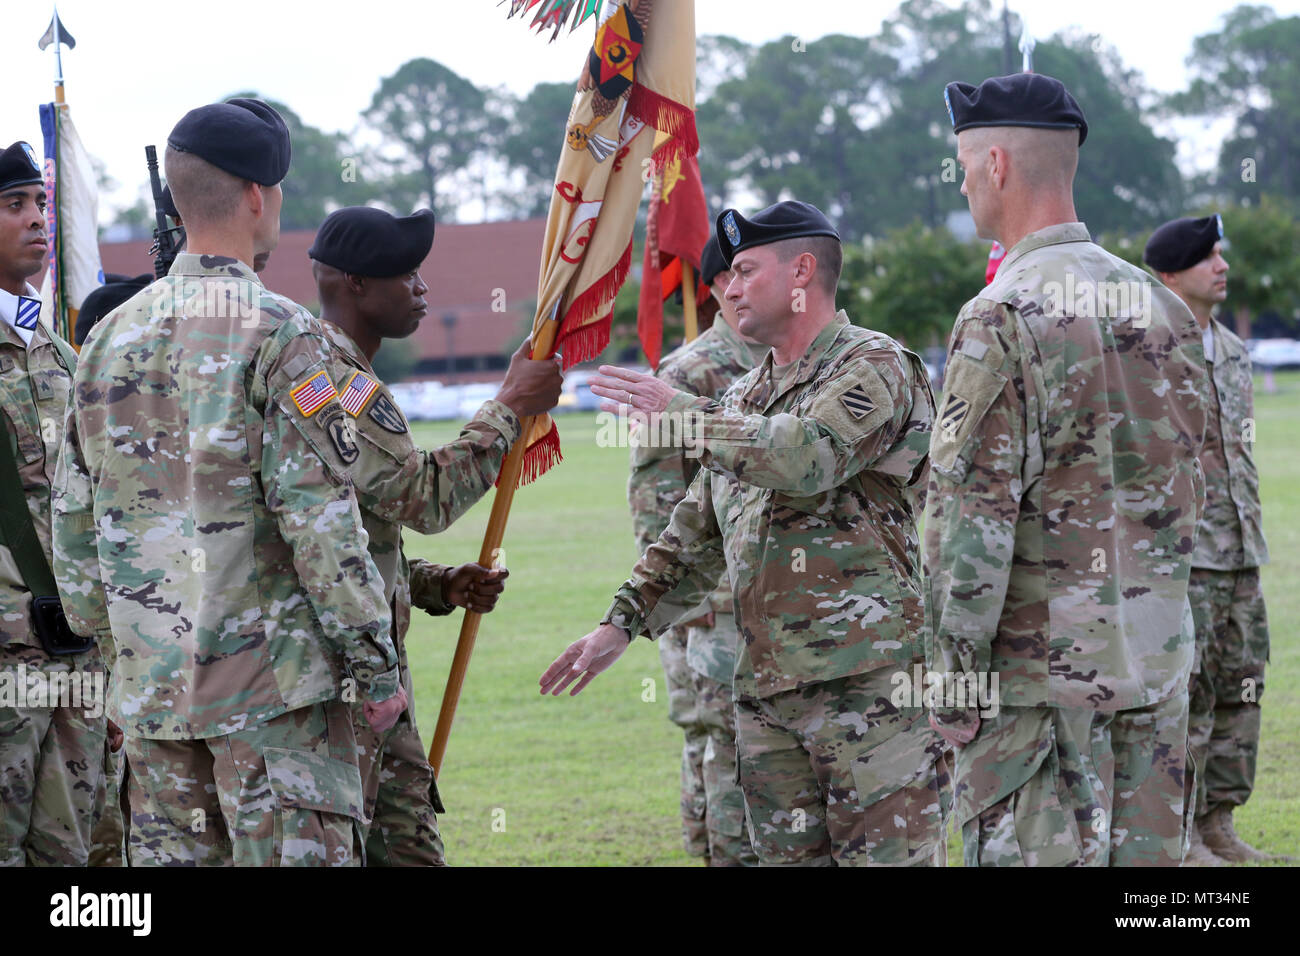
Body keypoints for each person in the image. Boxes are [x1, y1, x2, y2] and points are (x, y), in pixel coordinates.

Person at [52, 98, 404, 866]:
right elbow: (322, 523)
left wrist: (127, 657)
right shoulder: (287, 334)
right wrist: (377, 668)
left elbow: (74, 537)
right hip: (276, 710)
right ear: (257, 196)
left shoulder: (103, 340)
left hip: (155, 707)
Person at [541, 201, 946, 867]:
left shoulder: (874, 364)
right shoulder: (746, 397)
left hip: (868, 688)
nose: (727, 289)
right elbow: (694, 531)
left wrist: (687, 414)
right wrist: (619, 624)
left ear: (802, 273)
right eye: (726, 275)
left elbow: (805, 456)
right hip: (766, 692)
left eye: (745, 271)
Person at [928, 73, 1208, 866]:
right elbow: (1198, 484)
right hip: (1153, 662)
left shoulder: (1001, 315)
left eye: (962, 169)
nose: (966, 186)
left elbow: (967, 528)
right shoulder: (1161, 304)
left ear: (995, 166)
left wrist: (951, 685)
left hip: (1037, 687)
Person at [308, 204, 563, 864]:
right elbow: (422, 496)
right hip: (338, 688)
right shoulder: (333, 378)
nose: (422, 290)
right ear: (355, 284)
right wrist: (508, 407)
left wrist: (437, 584)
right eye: (406, 275)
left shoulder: (337, 370)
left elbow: (350, 537)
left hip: (360, 675)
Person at [626, 233, 761, 866]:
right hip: (709, 604)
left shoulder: (796, 359)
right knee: (718, 743)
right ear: (713, 288)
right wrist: (687, 604)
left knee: (749, 747)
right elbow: (655, 499)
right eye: (734, 273)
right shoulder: (689, 374)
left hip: (769, 602)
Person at [1145, 215, 1270, 864]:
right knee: (1183, 700)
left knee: (1241, 691)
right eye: (1206, 258)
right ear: (1169, 276)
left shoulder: (1234, 351)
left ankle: (1219, 824)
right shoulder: (1146, 352)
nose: (1221, 266)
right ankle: (1183, 836)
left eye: (1221, 254)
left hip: (1241, 555)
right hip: (1183, 560)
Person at [0, 140, 110, 866]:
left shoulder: (65, 356)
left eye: (40, 202)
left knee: (70, 852)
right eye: (15, 206)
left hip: (72, 648)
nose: (38, 218)